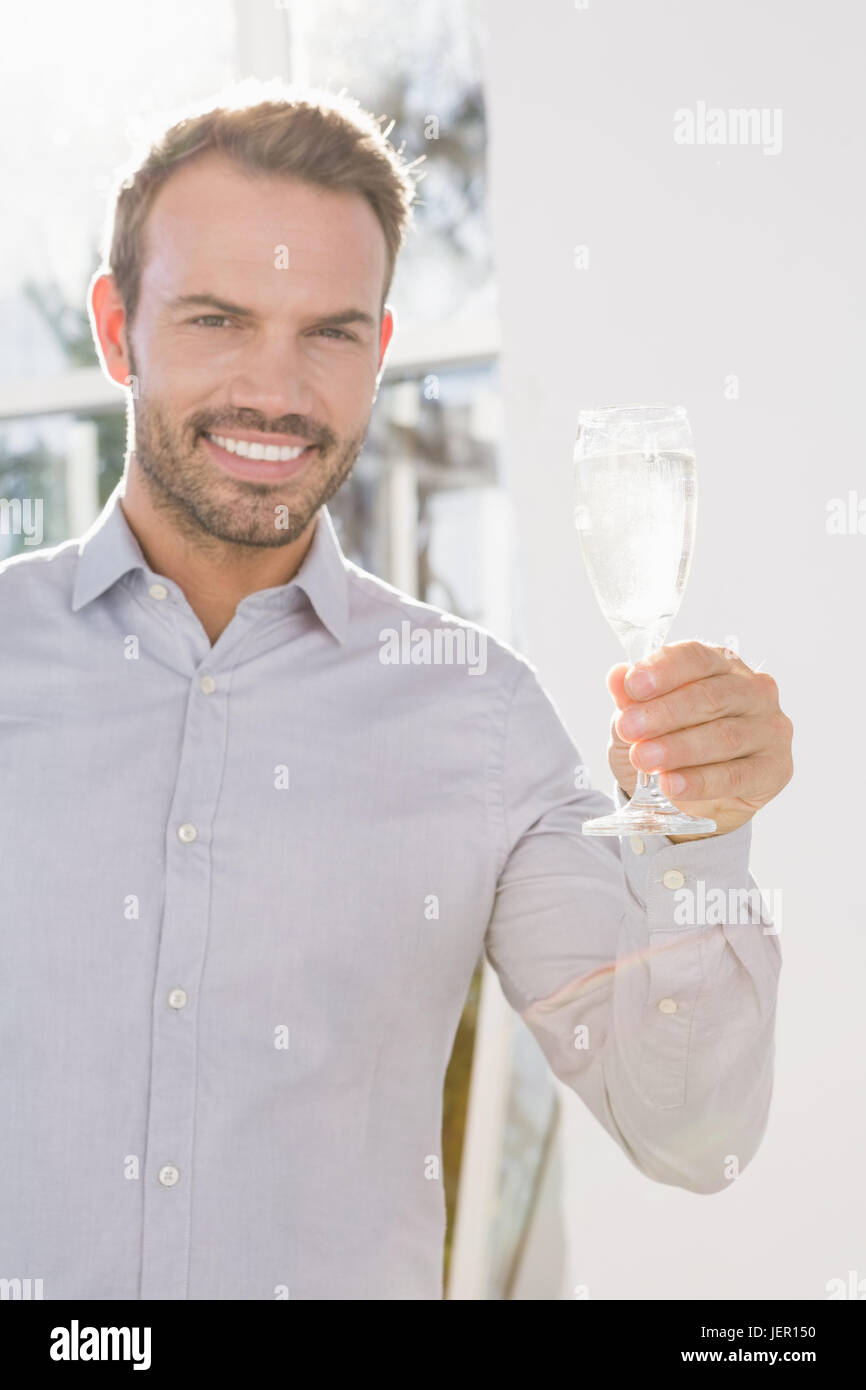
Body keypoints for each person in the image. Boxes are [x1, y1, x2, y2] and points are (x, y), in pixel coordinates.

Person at [0, 83, 793, 1301]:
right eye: (217, 317)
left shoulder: (475, 718)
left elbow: (688, 1130)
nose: (276, 390)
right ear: (118, 330)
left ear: (376, 349)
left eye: (328, 330)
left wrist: (702, 842)